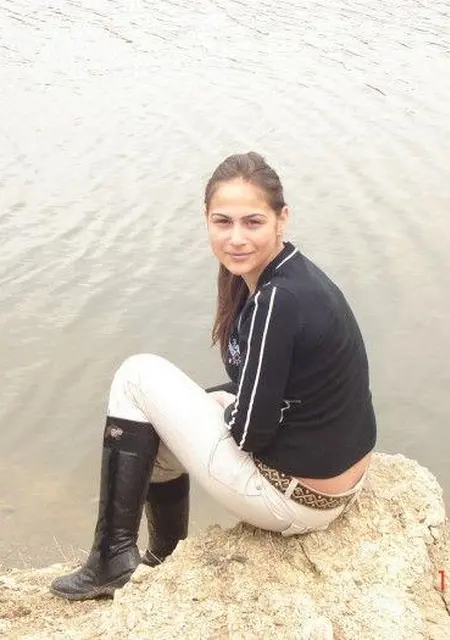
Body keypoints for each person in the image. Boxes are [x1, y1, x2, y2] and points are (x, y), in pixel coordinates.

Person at [50, 151, 377, 601]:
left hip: (296, 500)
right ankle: (165, 555)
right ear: (206, 219)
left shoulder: (275, 302)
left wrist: (219, 414)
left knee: (136, 376)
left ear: (282, 219)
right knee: (158, 426)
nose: (236, 238)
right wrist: (210, 411)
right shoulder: (295, 275)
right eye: (223, 222)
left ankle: (111, 559)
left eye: (253, 222)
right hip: (334, 481)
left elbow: (251, 434)